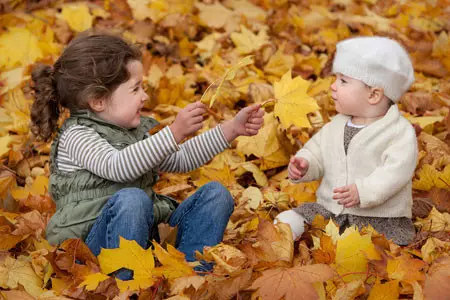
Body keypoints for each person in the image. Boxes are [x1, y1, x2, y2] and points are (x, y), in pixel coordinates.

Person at [31, 32, 264, 278]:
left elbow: (180, 159)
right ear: (98, 101)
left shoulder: (130, 130)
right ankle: (125, 284)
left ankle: (190, 276)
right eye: (135, 89)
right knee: (132, 199)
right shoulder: (77, 136)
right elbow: (117, 166)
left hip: (144, 236)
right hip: (94, 245)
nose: (145, 95)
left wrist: (230, 129)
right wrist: (174, 132)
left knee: (216, 194)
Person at [275, 36, 418, 245]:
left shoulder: (398, 132)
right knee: (292, 218)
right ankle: (283, 238)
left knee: (374, 246)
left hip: (378, 218)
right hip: (331, 210)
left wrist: (364, 191)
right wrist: (305, 164)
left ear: (374, 95)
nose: (333, 86)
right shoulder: (336, 125)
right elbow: (317, 151)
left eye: (343, 81)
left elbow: (396, 172)